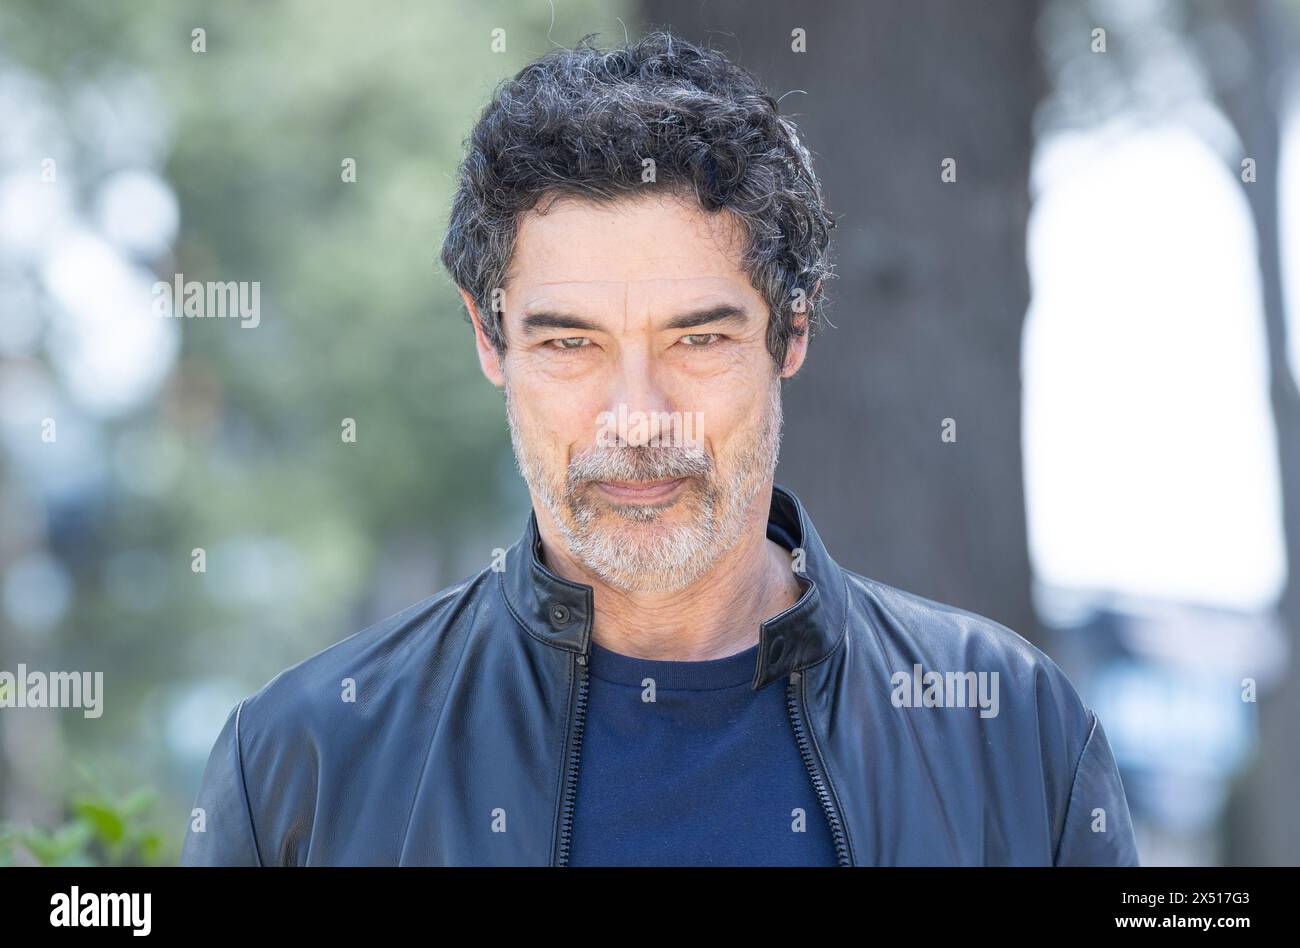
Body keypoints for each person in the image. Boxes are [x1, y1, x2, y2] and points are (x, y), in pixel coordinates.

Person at [182, 31, 1138, 866]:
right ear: (489, 339)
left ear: (791, 332)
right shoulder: (302, 763)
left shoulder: (1010, 732)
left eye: (698, 338)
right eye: (569, 343)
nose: (637, 419)